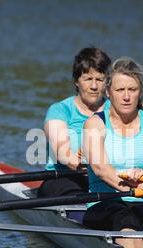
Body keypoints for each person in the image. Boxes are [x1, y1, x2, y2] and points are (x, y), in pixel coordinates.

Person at [82, 57, 143, 248]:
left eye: (132, 90)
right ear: (108, 92)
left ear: (139, 92)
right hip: (104, 203)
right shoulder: (94, 124)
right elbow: (101, 170)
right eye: (120, 90)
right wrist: (136, 186)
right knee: (124, 218)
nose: (126, 97)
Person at [38, 47, 111, 197]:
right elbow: (64, 154)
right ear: (76, 81)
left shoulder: (115, 110)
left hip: (108, 177)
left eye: (99, 79)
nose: (94, 86)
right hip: (64, 177)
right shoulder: (60, 110)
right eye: (88, 79)